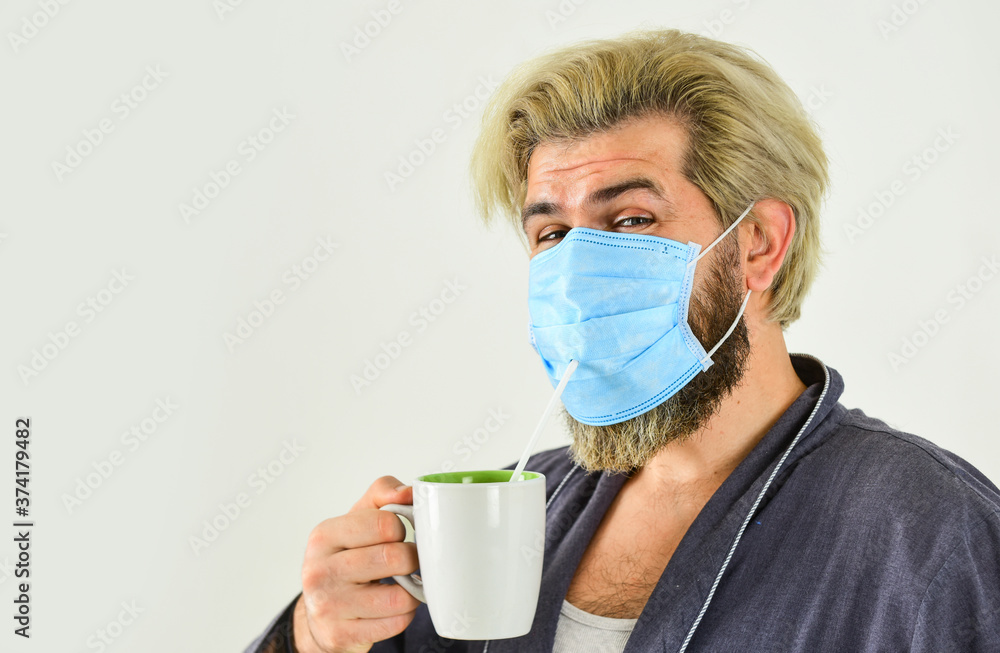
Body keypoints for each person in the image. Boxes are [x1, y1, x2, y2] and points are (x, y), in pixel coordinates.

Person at [246, 28, 1000, 652]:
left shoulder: (931, 534)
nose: (577, 271)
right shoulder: (517, 512)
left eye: (631, 220)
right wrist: (313, 633)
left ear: (761, 244)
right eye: (551, 232)